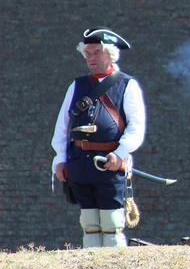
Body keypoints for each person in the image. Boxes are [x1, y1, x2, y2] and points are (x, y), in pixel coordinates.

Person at [51, 28, 146, 248]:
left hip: (110, 163)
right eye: (88, 53)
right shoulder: (77, 85)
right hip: (79, 163)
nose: (90, 58)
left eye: (96, 53)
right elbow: (63, 127)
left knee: (112, 224)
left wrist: (120, 154)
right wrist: (59, 159)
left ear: (109, 54)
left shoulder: (127, 85)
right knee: (89, 223)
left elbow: (136, 127)